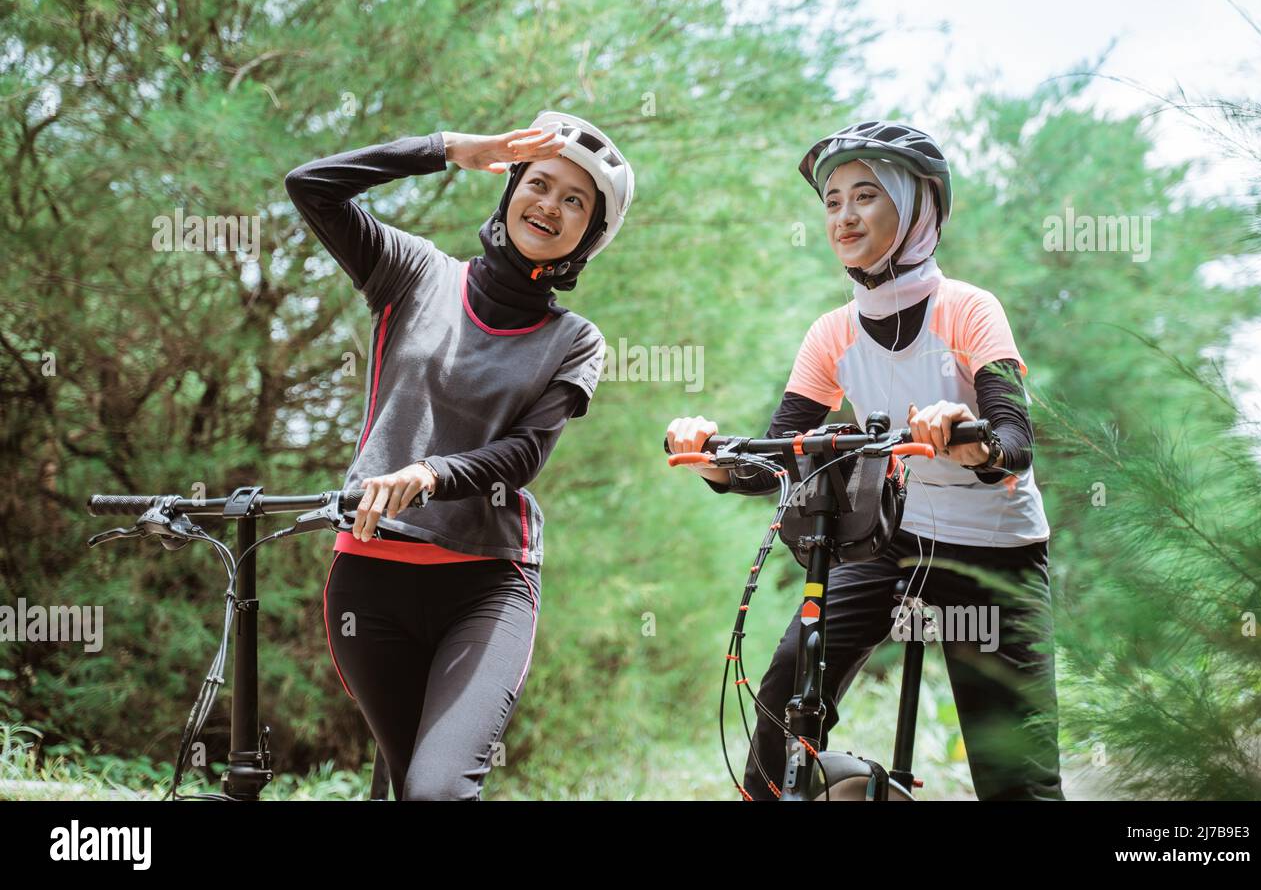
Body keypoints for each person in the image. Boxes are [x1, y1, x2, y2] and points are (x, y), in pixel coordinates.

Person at [665, 120, 1063, 800]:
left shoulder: (968, 310)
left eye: (867, 196)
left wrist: (968, 436)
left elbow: (1014, 442)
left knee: (1015, 780)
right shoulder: (832, 334)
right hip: (895, 542)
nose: (844, 215)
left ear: (917, 208)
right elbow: (786, 456)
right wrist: (712, 459)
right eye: (832, 201)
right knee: (785, 701)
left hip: (995, 550)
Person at [284, 113, 633, 799]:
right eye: (540, 183)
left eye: (575, 202)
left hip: (486, 585)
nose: (551, 206)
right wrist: (449, 150)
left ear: (589, 236)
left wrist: (430, 472)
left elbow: (526, 452)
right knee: (405, 779)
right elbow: (311, 187)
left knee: (437, 790)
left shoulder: (575, 340)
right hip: (371, 578)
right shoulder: (413, 273)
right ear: (508, 191)